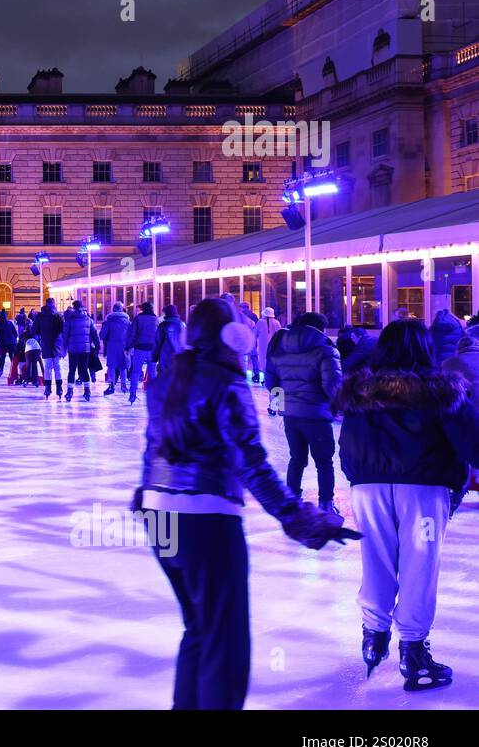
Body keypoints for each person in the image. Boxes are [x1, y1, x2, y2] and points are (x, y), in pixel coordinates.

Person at [133, 296, 355, 710]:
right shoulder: (225, 382)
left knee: (199, 630)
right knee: (225, 643)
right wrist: (298, 517)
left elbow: (154, 450)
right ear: (233, 335)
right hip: (205, 520)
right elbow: (250, 460)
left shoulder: (167, 377)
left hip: (158, 516)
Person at [335, 319, 479, 690]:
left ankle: (373, 638)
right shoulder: (442, 392)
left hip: (367, 489)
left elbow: (346, 444)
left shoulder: (359, 393)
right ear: (426, 348)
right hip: (423, 490)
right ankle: (414, 654)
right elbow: (473, 444)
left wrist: (358, 478)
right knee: (419, 566)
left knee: (376, 562)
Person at [265, 312, 343, 512]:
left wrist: (282, 405)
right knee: (324, 462)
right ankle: (326, 505)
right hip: (317, 415)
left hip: (290, 415)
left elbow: (271, 383)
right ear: (321, 329)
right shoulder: (325, 350)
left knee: (296, 458)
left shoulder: (279, 348)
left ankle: (292, 500)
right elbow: (332, 387)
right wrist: (338, 406)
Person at [62, 300, 98, 402]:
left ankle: (70, 391)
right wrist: (97, 345)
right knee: (84, 370)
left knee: (72, 370)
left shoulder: (69, 320)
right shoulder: (88, 320)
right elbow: (95, 334)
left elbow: (65, 335)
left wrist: (64, 347)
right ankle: (87, 391)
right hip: (85, 350)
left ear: (73, 308)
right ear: (82, 307)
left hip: (73, 349)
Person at [126, 301, 159, 405]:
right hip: (152, 349)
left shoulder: (138, 319)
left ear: (143, 309)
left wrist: (128, 346)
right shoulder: (156, 319)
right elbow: (158, 334)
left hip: (140, 348)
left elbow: (132, 334)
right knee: (152, 373)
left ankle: (132, 394)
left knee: (135, 372)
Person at [35, 299, 65, 398]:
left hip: (46, 343)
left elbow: (34, 330)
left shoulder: (40, 316)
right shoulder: (59, 316)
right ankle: (59, 388)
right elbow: (63, 330)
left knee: (47, 367)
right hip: (57, 344)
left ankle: (48, 388)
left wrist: (40, 336)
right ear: (54, 304)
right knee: (58, 367)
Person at [99, 302, 130, 395]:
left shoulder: (109, 320)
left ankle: (112, 385)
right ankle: (123, 385)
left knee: (112, 366)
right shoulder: (127, 321)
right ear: (122, 309)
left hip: (112, 346)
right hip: (124, 346)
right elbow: (131, 333)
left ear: (113, 309)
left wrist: (104, 337)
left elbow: (103, 335)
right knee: (123, 366)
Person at [252, 307, 282, 385]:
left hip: (262, 346)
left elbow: (254, 334)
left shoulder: (260, 322)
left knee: (263, 362)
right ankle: (272, 379)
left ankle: (266, 379)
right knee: (273, 362)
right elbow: (280, 334)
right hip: (274, 346)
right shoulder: (276, 322)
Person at [152, 303, 185, 375]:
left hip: (165, 355)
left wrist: (154, 357)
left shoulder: (163, 325)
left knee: (164, 377)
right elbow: (184, 341)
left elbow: (158, 342)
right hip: (178, 355)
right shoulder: (181, 324)